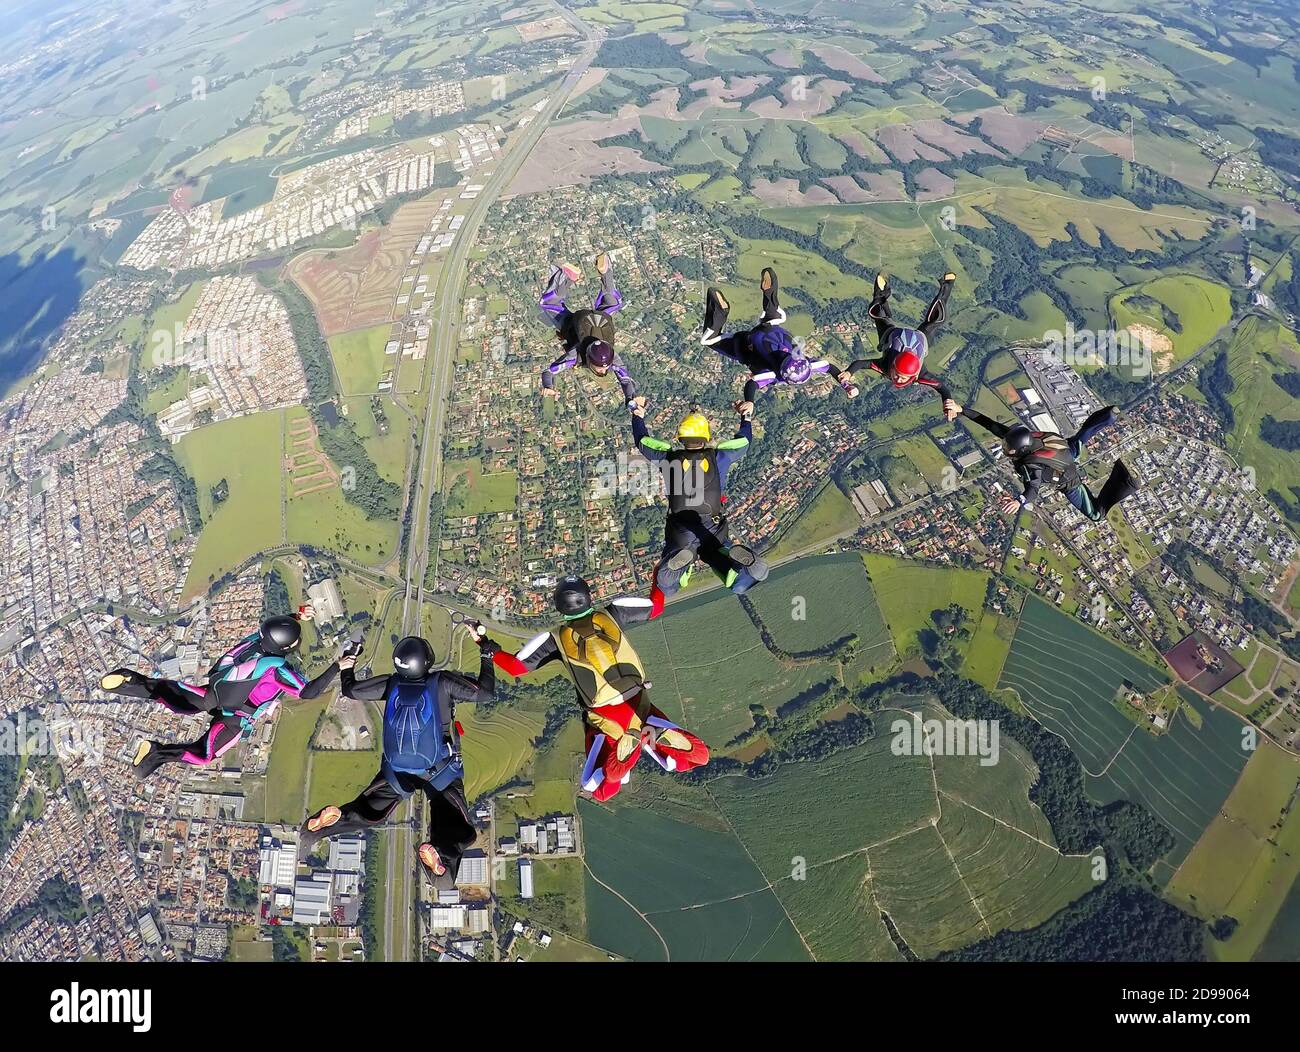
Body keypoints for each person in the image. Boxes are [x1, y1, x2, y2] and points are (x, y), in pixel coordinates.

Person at [301, 625, 499, 885]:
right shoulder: (442, 682)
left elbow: (351, 690)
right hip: (439, 769)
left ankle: (324, 827)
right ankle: (443, 866)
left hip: (397, 769)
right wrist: (486, 654)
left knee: (368, 810)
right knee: (457, 828)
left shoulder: (391, 683)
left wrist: (348, 664)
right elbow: (484, 692)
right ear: (426, 660)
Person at [492, 576, 709, 801]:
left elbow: (515, 667)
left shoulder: (554, 638)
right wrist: (660, 576)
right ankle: (657, 737)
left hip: (607, 716)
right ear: (588, 597)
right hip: (639, 702)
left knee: (600, 789)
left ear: (559, 606)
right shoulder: (613, 613)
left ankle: (627, 757)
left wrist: (485, 645)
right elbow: (655, 606)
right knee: (695, 760)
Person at [100, 607, 339, 779]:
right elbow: (308, 692)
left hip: (214, 693)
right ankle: (155, 755)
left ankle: (131, 682)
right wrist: (339, 665)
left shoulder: (255, 641)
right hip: (235, 718)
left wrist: (296, 616)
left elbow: (275, 631)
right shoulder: (276, 669)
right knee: (204, 753)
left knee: (176, 698)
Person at [632, 399, 768, 598]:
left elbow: (642, 441)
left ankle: (681, 569)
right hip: (713, 526)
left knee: (666, 586)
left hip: (682, 530)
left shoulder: (667, 458)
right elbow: (744, 442)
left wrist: (638, 416)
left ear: (680, 437)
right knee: (723, 562)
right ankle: (733, 568)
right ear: (705, 437)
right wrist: (745, 417)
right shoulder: (720, 456)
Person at [947, 399, 1140, 521]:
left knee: (1097, 515)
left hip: (1068, 479)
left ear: (1020, 450)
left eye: (1008, 449)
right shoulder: (1023, 436)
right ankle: (1108, 416)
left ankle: (1127, 482)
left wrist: (1018, 501)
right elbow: (988, 423)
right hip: (1063, 450)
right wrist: (961, 409)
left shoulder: (1029, 465)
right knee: (1082, 436)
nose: (1005, 449)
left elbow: (1033, 489)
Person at [701, 267, 859, 409]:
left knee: (772, 319)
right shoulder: (773, 373)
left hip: (772, 330)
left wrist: (846, 384)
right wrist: (749, 401)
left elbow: (829, 367)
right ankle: (719, 313)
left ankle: (771, 300)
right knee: (710, 340)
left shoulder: (804, 362)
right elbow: (752, 384)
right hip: (746, 343)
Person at [844, 271, 957, 414]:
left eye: (901, 377)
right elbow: (942, 388)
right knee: (932, 321)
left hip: (912, 338)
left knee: (934, 321)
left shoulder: (913, 372)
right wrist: (849, 373)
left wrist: (948, 402)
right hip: (896, 336)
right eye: (898, 374)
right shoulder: (894, 366)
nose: (897, 378)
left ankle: (947, 285)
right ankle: (946, 286)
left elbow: (942, 388)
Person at [538, 253, 642, 407]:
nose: (601, 371)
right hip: (573, 322)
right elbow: (548, 372)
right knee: (547, 302)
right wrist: (548, 386)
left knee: (613, 302)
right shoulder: (576, 355)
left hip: (600, 318)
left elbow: (625, 380)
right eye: (601, 369)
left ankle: (606, 272)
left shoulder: (613, 358)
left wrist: (630, 399)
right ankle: (566, 277)